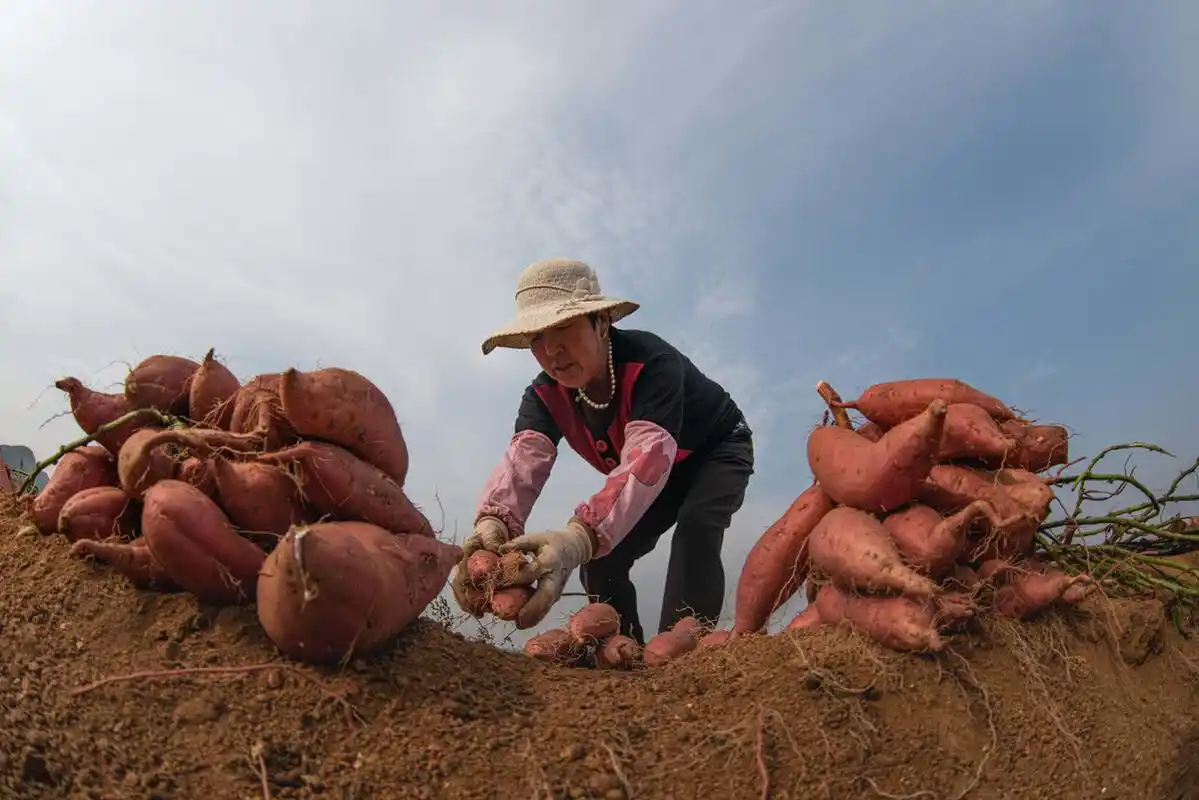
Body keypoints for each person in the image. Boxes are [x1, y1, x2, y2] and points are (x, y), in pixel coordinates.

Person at [450, 258, 755, 643]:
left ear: (603, 322)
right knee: (601, 560)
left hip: (716, 451)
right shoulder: (544, 396)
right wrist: (491, 526)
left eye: (562, 327)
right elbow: (523, 461)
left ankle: (682, 650)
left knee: (696, 525)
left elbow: (649, 456)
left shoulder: (652, 364)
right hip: (653, 473)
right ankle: (620, 652)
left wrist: (579, 536)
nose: (552, 351)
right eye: (536, 339)